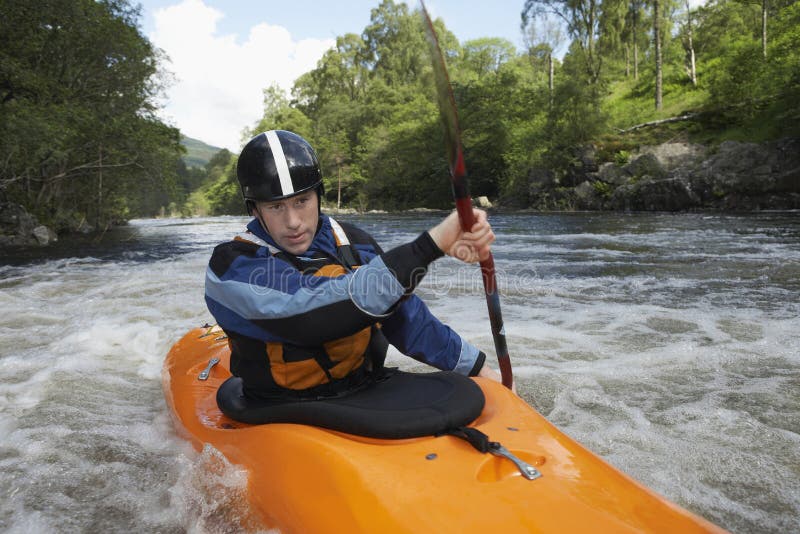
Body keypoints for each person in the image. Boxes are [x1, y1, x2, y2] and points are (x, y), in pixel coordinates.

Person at [205, 130, 505, 401]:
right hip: (277, 404)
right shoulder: (231, 265)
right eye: (276, 207)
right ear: (255, 209)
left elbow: (406, 318)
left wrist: (480, 369)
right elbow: (306, 314)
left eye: (302, 201)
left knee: (469, 395)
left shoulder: (354, 242)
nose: (293, 221)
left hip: (364, 387)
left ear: (318, 196)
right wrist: (429, 246)